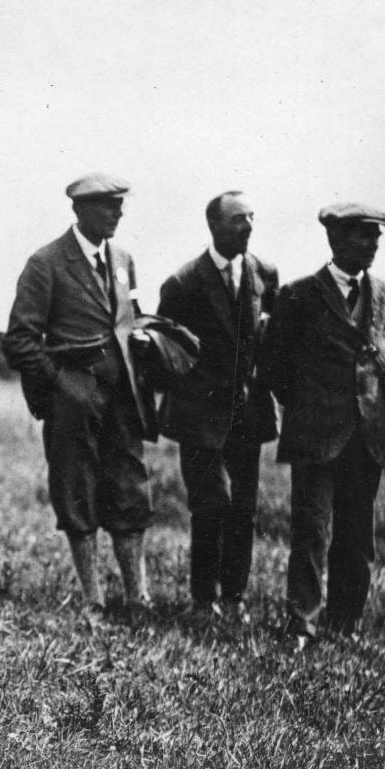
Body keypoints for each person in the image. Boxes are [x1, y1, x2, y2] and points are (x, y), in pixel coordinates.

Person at [2, 174, 154, 620]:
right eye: (108, 205)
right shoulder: (46, 263)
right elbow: (19, 341)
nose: (118, 213)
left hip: (122, 400)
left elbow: (132, 317)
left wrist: (144, 338)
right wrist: (63, 383)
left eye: (120, 204)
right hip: (74, 406)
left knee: (130, 493)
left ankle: (137, 599)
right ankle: (93, 602)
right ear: (80, 209)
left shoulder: (123, 259)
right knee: (78, 494)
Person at [259, 203, 385, 646]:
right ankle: (302, 623)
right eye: (364, 234)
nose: (374, 243)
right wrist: (309, 407)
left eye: (377, 236)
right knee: (310, 531)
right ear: (335, 238)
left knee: (357, 535)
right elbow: (274, 367)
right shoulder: (298, 296)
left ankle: (346, 622)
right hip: (315, 434)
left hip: (367, 436)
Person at [156, 192, 279, 619]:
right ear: (213, 226)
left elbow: (271, 340)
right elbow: (167, 353)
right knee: (211, 503)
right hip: (199, 414)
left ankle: (234, 597)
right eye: (237, 218)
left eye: (251, 217)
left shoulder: (265, 273)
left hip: (248, 411)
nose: (248, 226)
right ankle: (203, 598)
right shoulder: (183, 282)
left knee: (243, 507)